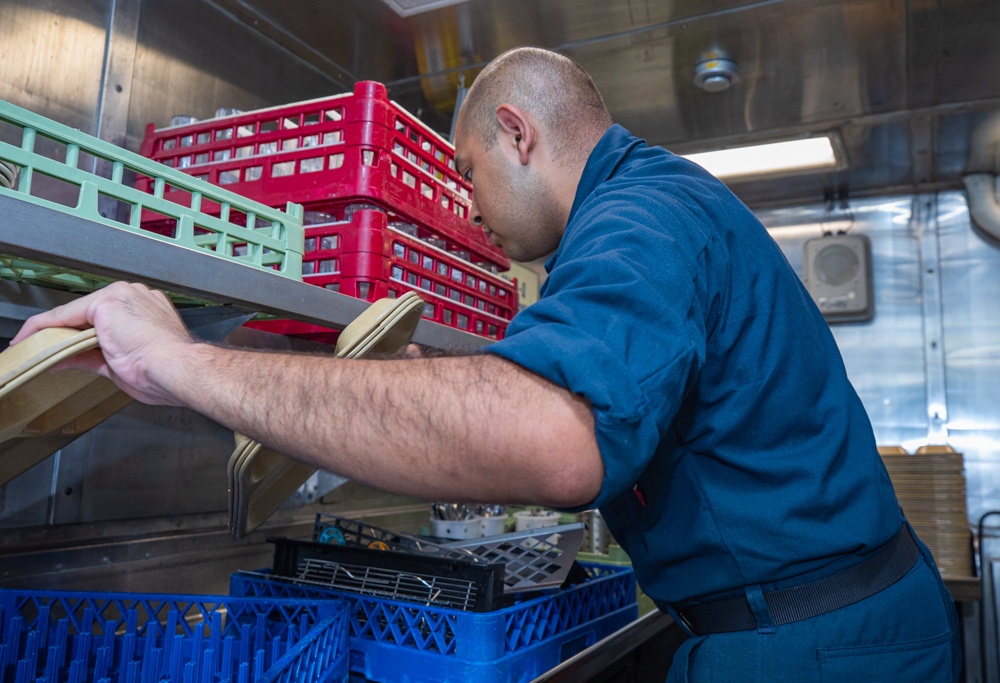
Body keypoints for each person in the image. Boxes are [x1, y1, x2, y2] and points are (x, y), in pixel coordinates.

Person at [12, 47, 960, 681]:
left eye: (466, 173)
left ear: (519, 133)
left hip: (813, 645)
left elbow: (554, 440)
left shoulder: (637, 221)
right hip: (811, 620)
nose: (465, 211)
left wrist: (180, 363)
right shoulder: (654, 208)